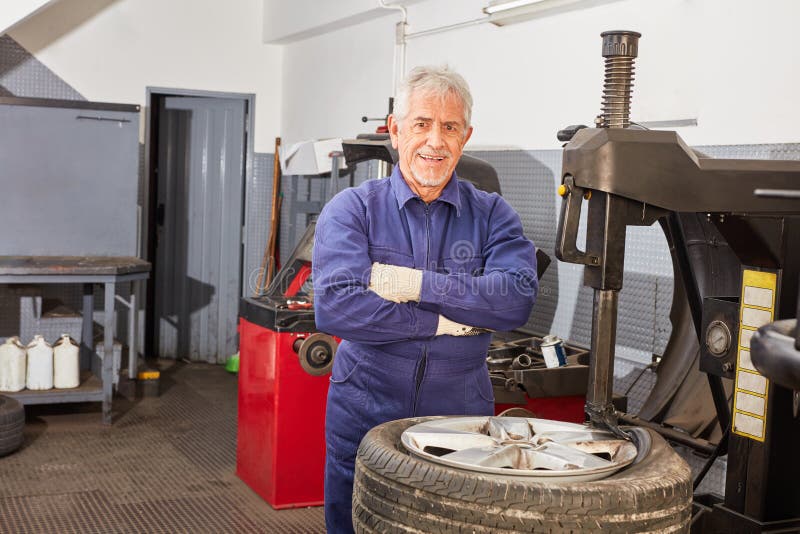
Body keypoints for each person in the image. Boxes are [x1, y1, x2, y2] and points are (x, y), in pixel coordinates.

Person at [312, 64, 538, 533]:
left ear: (465, 136)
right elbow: (336, 306)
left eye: (449, 127)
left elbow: (514, 300)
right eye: (421, 124)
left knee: (450, 521)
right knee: (356, 519)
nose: (435, 141)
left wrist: (416, 285)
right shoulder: (354, 210)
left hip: (460, 411)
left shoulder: (493, 214)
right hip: (365, 403)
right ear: (395, 130)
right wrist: (441, 321)